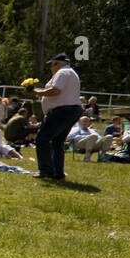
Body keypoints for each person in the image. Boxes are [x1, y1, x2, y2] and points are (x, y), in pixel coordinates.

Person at [31, 52, 83, 181]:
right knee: (57, 142)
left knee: (42, 138)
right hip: (71, 110)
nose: (50, 68)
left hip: (62, 111)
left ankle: (46, 170)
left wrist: (38, 93)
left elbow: (56, 90)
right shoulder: (71, 73)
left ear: (56, 64)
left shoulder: (62, 73)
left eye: (51, 65)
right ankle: (58, 172)